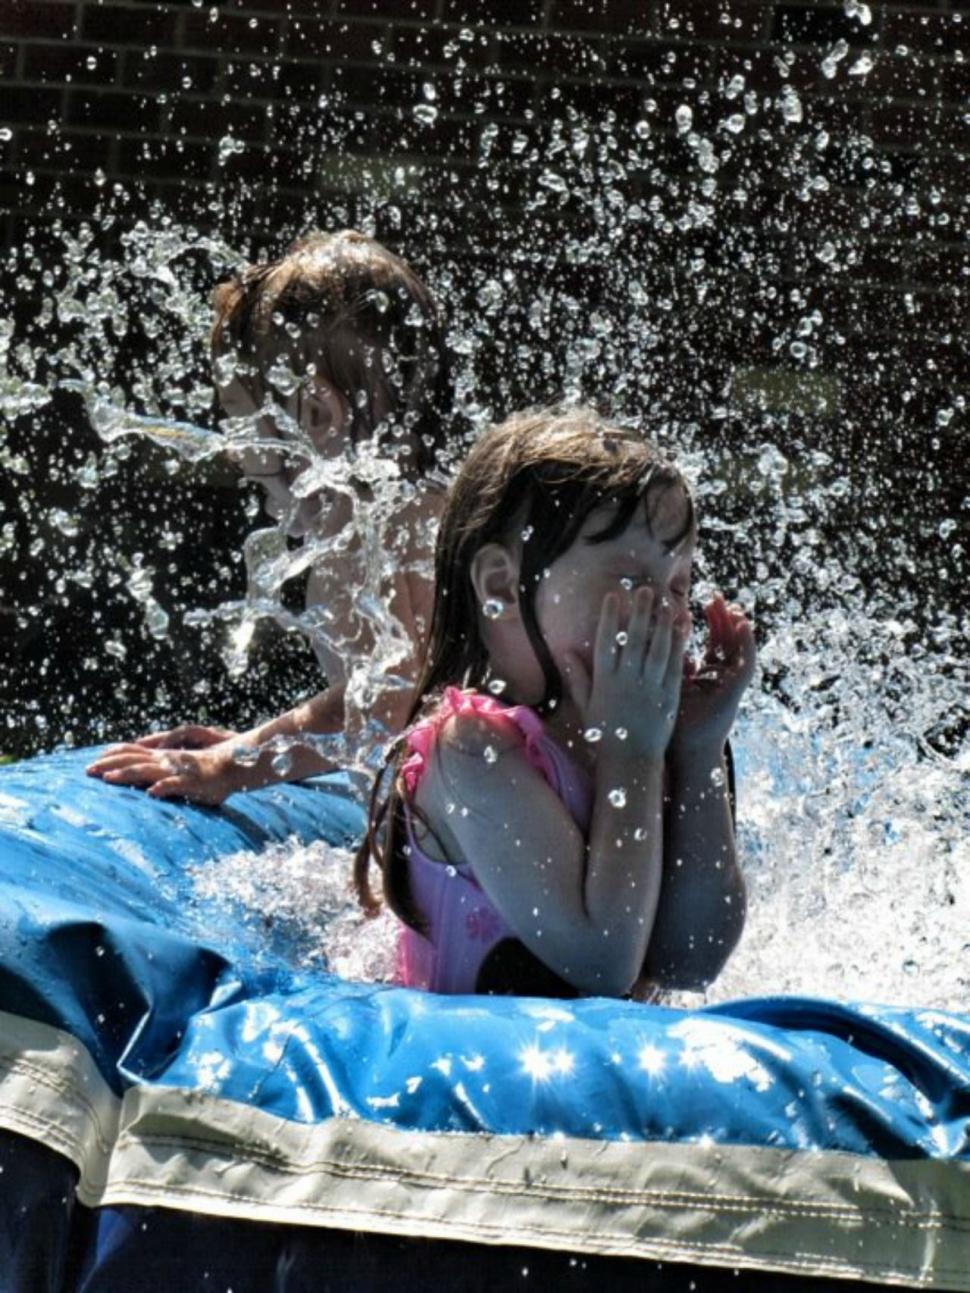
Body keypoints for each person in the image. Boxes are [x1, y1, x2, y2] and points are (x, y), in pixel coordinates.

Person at [355, 407, 755, 1000]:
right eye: (631, 583)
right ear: (500, 587)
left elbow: (693, 962)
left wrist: (697, 752)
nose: (669, 613)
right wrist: (631, 755)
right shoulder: (472, 752)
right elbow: (603, 963)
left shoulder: (641, 732)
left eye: (678, 587)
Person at [87, 230, 455, 803]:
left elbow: (380, 702)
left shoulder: (357, 535)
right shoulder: (438, 506)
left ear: (316, 413)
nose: (235, 452)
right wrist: (261, 744)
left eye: (238, 419)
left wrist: (229, 765)